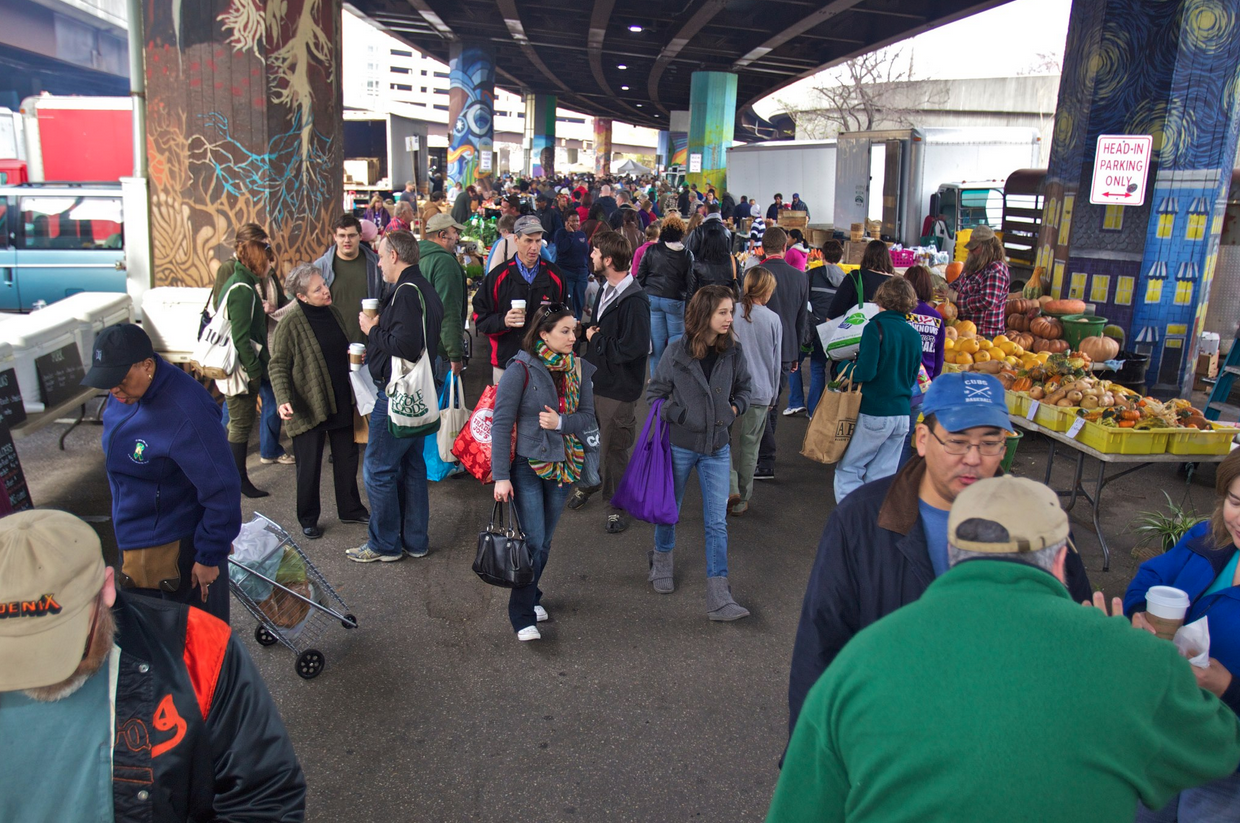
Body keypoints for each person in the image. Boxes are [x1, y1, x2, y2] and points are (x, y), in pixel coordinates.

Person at [771, 476, 1240, 823]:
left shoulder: (862, 658)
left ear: (953, 555)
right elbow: (1219, 747)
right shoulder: (1132, 660)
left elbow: (800, 810)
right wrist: (1137, 660)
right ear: (1060, 559)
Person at [786, 372, 1095, 735]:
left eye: (991, 443)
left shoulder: (1037, 518)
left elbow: (1073, 628)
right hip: (891, 739)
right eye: (957, 442)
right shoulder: (861, 521)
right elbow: (820, 642)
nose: (974, 459)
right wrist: (808, 755)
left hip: (997, 736)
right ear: (921, 439)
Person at [0, 510, 306, 822]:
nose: (37, 669)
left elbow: (264, 799)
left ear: (105, 589)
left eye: (56, 643)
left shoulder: (198, 648)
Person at [80, 323, 240, 622]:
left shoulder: (186, 410)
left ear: (147, 366)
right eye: (108, 382)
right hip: (134, 541)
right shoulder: (125, 396)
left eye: (121, 380)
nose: (114, 389)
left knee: (191, 653)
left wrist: (209, 555)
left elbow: (223, 488)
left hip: (176, 553)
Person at [1127, 448, 1240, 822]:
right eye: (1236, 501)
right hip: (1165, 739)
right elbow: (1153, 576)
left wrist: (1229, 688)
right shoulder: (1209, 538)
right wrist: (1138, 613)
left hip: (1226, 764)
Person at [491, 305, 598, 641]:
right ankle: (521, 616)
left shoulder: (579, 370)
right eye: (564, 331)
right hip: (527, 466)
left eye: (574, 331)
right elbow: (501, 423)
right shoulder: (520, 369)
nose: (572, 337)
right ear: (543, 334)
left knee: (544, 542)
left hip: (565, 463)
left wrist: (561, 423)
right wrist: (500, 475)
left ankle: (532, 593)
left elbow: (588, 418)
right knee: (534, 541)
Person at [646, 286, 753, 620]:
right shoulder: (676, 351)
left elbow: (746, 388)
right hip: (679, 445)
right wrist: (680, 415)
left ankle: (719, 596)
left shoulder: (733, 351)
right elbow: (655, 395)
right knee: (669, 511)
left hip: (717, 448)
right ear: (704, 313)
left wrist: (735, 408)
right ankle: (662, 559)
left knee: (717, 522)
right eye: (722, 311)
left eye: (731, 312)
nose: (729, 318)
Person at [348, 230, 444, 563]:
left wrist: (371, 329)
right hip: (420, 393)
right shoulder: (425, 288)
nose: (377, 262)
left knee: (378, 469)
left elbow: (405, 345)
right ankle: (415, 541)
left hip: (398, 395)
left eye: (380, 254)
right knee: (412, 466)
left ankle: (384, 544)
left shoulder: (405, 292)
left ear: (393, 255)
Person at [270, 263, 370, 539]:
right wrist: (282, 399)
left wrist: (354, 356)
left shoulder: (333, 312)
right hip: (308, 403)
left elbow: (337, 349)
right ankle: (308, 517)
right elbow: (277, 365)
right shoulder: (290, 323)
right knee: (309, 464)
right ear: (301, 297)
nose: (326, 290)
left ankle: (350, 508)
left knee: (347, 457)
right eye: (318, 289)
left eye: (324, 284)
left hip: (338, 396)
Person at [567, 232, 650, 534]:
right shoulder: (606, 288)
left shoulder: (635, 301)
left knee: (614, 448)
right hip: (597, 381)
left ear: (609, 260)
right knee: (592, 440)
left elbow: (634, 348)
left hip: (618, 388)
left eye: (595, 252)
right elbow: (601, 330)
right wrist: (584, 332)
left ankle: (618, 505)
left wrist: (596, 339)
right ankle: (591, 481)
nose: (591, 256)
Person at [833, 277, 923, 502]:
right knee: (882, 477)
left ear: (881, 297)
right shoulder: (913, 334)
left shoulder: (875, 327)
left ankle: (851, 519)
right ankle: (873, 523)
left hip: (875, 411)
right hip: (902, 415)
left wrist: (844, 366)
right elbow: (913, 377)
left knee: (849, 469)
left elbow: (865, 372)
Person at [211, 223, 291, 466]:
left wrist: (274, 307)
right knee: (237, 405)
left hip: (266, 343)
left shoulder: (265, 270)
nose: (267, 250)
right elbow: (224, 310)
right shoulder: (235, 275)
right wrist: (254, 368)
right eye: (263, 244)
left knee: (267, 397)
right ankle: (224, 451)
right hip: (245, 354)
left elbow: (280, 297)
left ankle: (268, 449)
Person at [214, 237, 277, 498]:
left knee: (238, 423)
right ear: (257, 261)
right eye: (267, 260)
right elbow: (241, 337)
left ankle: (235, 478)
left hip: (242, 364)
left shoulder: (242, 282)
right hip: (239, 367)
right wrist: (253, 371)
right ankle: (238, 480)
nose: (270, 266)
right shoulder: (242, 288)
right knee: (240, 424)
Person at [472, 214, 567, 384]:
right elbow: (480, 318)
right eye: (528, 240)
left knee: (542, 410)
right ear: (516, 239)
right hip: (506, 363)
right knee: (506, 410)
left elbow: (565, 316)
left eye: (538, 241)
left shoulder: (555, 275)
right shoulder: (498, 277)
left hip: (545, 362)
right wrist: (504, 321)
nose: (534, 247)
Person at [753, 226, 809, 482]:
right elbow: (801, 320)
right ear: (785, 248)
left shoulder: (755, 274)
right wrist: (796, 353)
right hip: (786, 350)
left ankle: (762, 457)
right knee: (773, 403)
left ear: (762, 248)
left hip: (757, 347)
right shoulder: (800, 277)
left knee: (758, 402)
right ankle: (765, 458)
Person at [728, 268, 781, 516]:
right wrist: (773, 395)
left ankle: (728, 488)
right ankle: (742, 498)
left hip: (727, 388)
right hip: (760, 390)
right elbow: (775, 361)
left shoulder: (730, 312)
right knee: (750, 447)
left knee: (720, 442)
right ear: (767, 291)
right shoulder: (772, 319)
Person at [785, 239, 844, 417]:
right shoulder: (845, 279)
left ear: (822, 255)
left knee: (793, 362)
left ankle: (795, 401)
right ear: (840, 258)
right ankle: (813, 411)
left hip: (808, 329)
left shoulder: (812, 275)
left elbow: (800, 299)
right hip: (830, 330)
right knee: (818, 368)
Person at [636, 213, 693, 377]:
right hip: (675, 301)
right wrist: (688, 308)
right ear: (682, 234)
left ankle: (656, 384)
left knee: (656, 348)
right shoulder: (687, 255)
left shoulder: (652, 249)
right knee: (676, 344)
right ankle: (675, 381)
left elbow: (641, 275)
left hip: (652, 299)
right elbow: (691, 283)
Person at [314, 214, 385, 344]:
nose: (347, 240)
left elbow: (387, 299)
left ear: (360, 236)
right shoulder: (321, 267)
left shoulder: (376, 265)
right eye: (342, 236)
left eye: (352, 235)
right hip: (333, 343)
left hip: (370, 344)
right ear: (335, 237)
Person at [418, 212, 468, 381]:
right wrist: (455, 354)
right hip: (439, 351)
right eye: (454, 232)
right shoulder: (444, 263)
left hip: (418, 347)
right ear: (442, 235)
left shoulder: (416, 256)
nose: (457, 237)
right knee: (443, 405)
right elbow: (448, 311)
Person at [950, 224, 1009, 339]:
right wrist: (947, 289)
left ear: (988, 247)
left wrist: (957, 298)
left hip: (985, 335)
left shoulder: (996, 269)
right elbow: (958, 282)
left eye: (975, 248)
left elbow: (987, 300)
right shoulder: (973, 265)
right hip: (964, 331)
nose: (970, 251)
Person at [686, 202, 735, 297]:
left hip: (701, 275)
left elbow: (689, 252)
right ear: (719, 213)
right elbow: (729, 253)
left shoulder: (698, 230)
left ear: (707, 212)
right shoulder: (727, 232)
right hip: (723, 276)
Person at [554, 210, 590, 318]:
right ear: (566, 222)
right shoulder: (560, 233)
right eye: (573, 221)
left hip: (581, 273)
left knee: (579, 300)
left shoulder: (581, 234)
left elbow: (585, 254)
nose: (576, 223)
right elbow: (561, 249)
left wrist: (589, 271)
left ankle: (577, 322)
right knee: (568, 300)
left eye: (577, 221)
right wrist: (570, 234)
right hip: (567, 273)